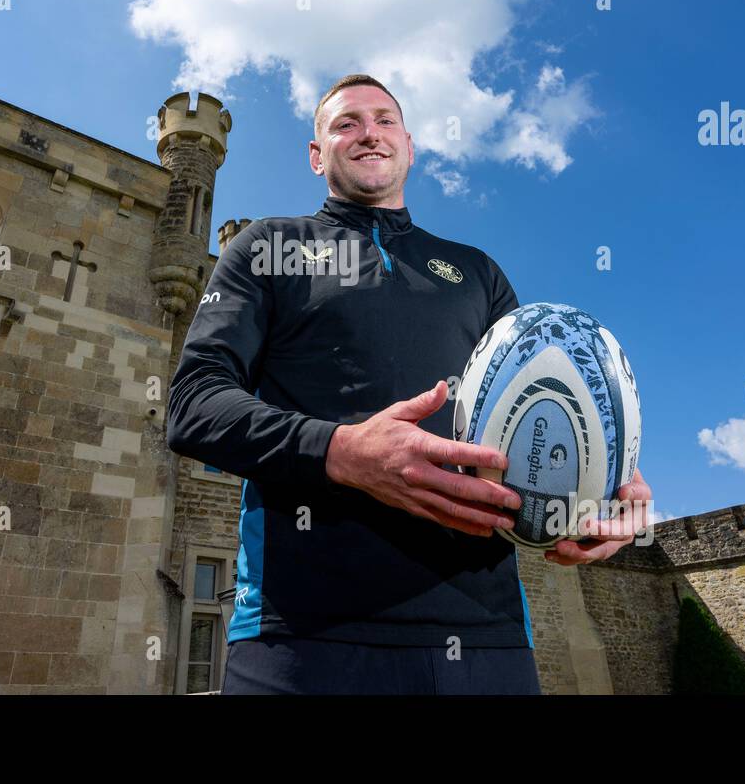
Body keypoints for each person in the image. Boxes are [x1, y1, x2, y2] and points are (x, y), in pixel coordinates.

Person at [166, 74, 651, 694]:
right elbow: (193, 402)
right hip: (300, 637)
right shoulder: (269, 247)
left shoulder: (479, 273)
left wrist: (603, 497)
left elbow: (539, 423)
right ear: (318, 156)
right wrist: (341, 453)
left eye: (384, 120)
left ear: (409, 145)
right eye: (345, 124)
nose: (368, 132)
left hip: (486, 639)